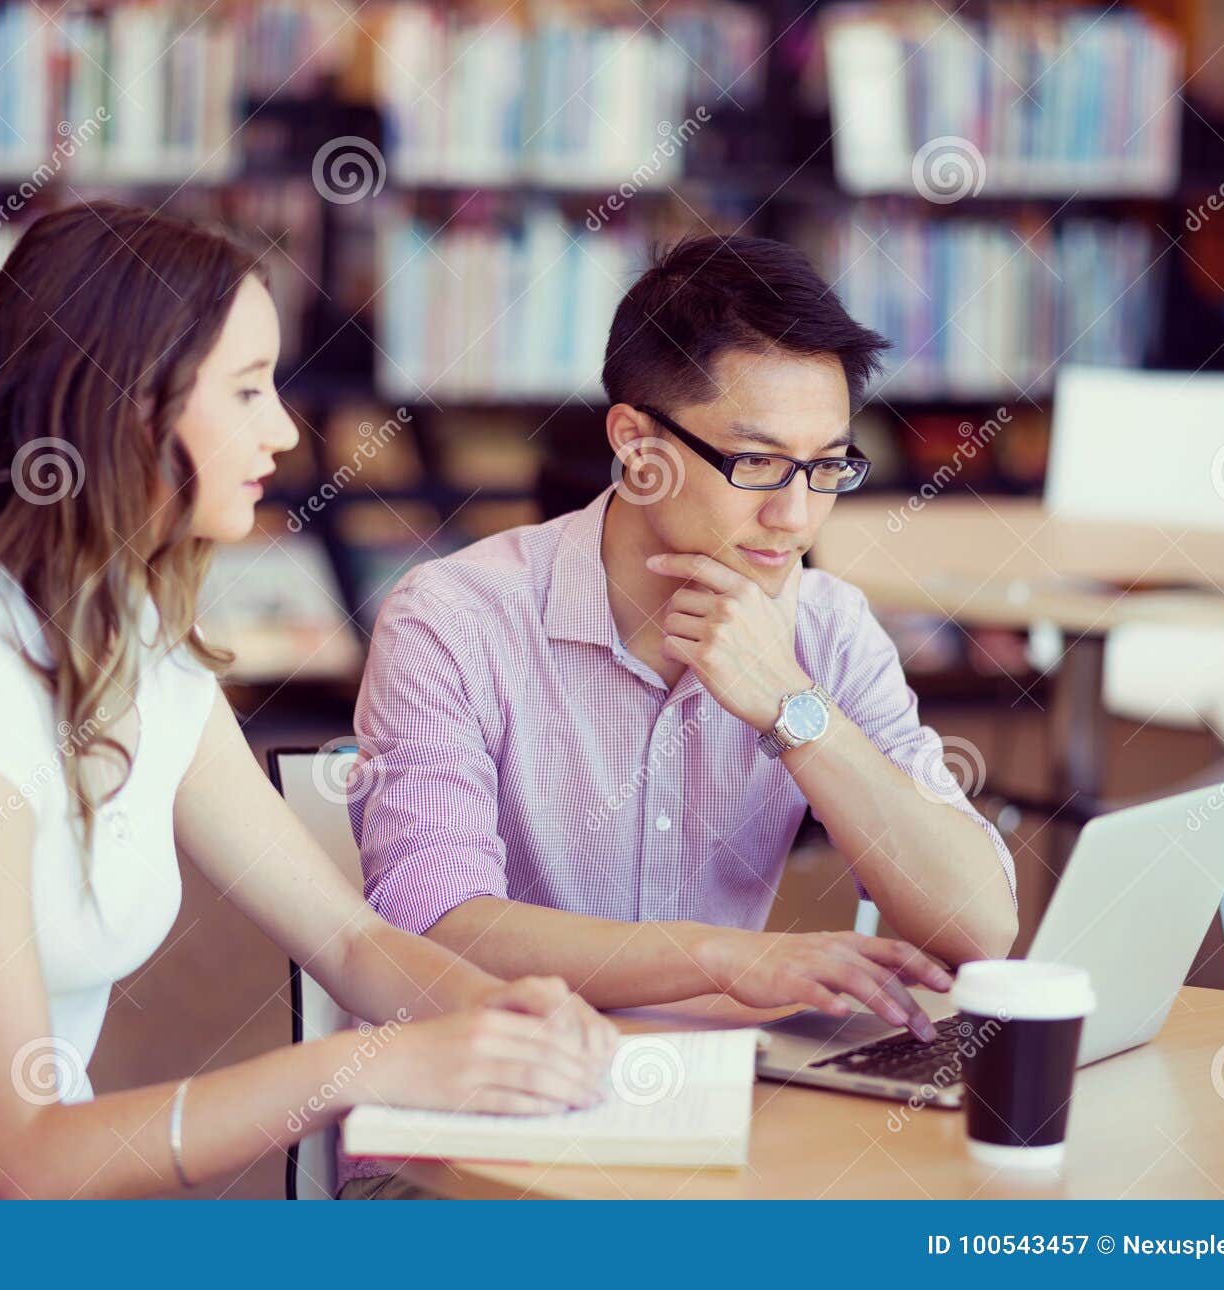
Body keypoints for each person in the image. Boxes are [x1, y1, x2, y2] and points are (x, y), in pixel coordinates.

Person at [0, 201, 615, 1201]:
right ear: (124, 406)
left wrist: (504, 1016)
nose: (282, 428)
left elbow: (345, 938)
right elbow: (22, 1158)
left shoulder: (138, 644)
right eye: (244, 391)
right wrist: (356, 1069)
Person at [344, 233, 1022, 1196]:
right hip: (473, 1141)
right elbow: (438, 934)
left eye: (828, 466)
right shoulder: (454, 618)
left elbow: (978, 926)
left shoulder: (825, 628)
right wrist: (728, 960)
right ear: (637, 445)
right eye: (757, 464)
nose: (796, 517)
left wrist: (796, 710)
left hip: (713, 1122)